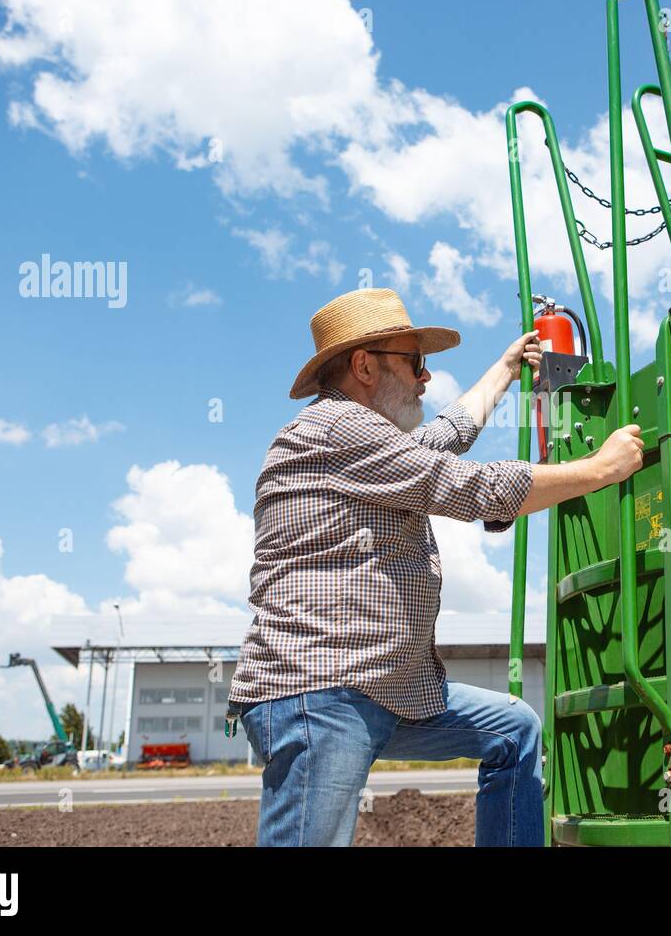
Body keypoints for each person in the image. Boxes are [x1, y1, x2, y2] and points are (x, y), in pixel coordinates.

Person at [229, 287, 643, 846]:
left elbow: (446, 436)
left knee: (513, 729)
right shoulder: (337, 429)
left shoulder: (368, 442)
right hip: (322, 692)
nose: (426, 378)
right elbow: (469, 485)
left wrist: (504, 369)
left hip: (385, 688)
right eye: (416, 363)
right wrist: (600, 469)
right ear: (363, 366)